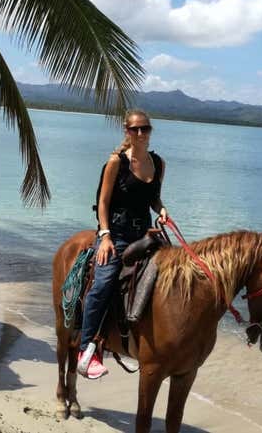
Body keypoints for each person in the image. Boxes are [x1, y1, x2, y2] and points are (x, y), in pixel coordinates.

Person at [77, 109, 169, 379]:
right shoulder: (116, 162)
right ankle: (86, 350)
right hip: (116, 234)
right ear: (127, 131)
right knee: (104, 282)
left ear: (150, 131)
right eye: (135, 129)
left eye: (145, 128)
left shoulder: (158, 163)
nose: (141, 133)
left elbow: (153, 198)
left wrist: (162, 209)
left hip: (145, 235)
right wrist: (105, 236)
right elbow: (103, 202)